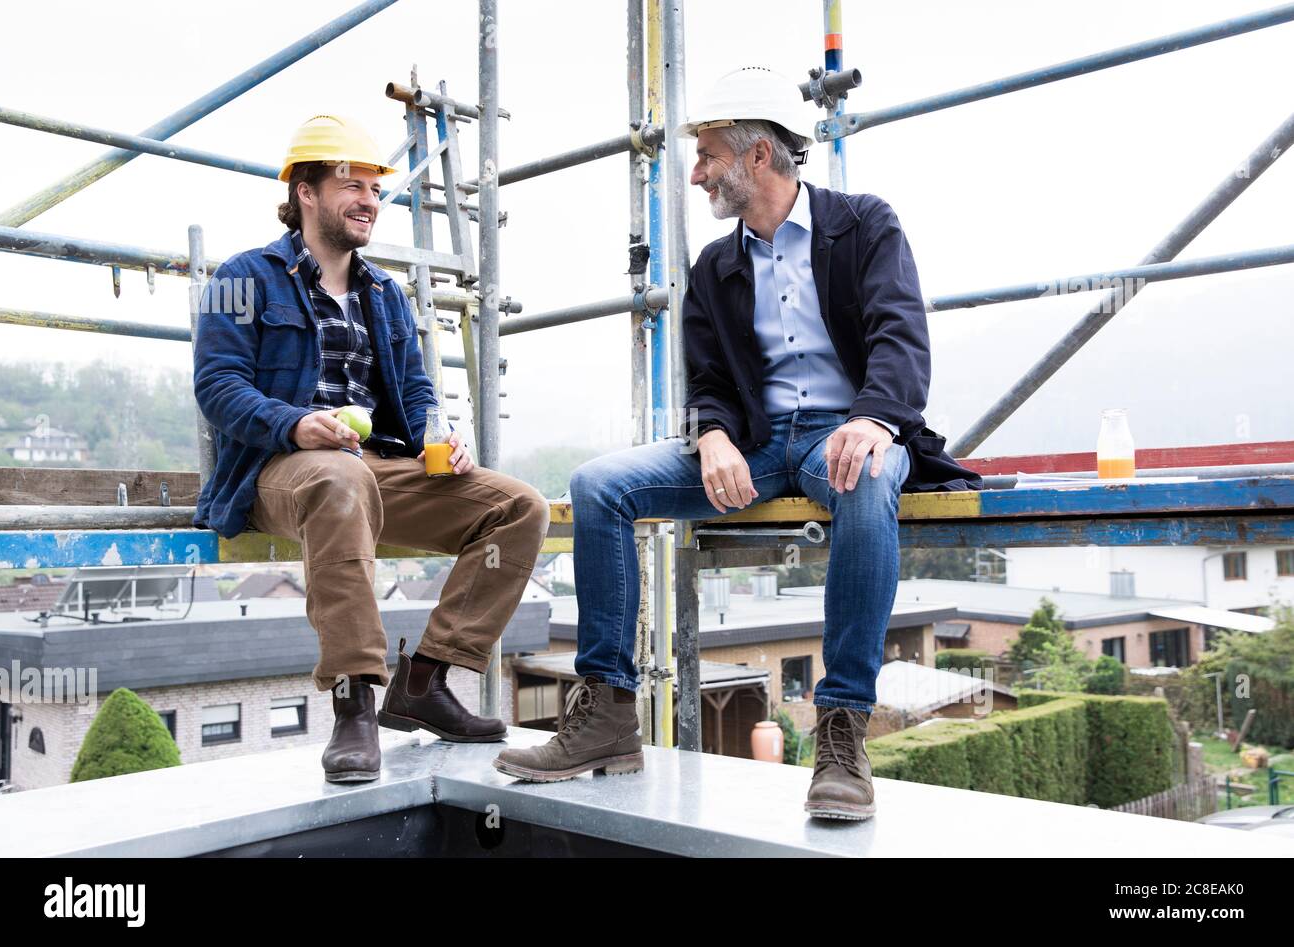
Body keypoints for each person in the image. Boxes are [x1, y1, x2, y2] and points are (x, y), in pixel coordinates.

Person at [493, 68, 980, 820]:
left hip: (846, 433)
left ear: (758, 156)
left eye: (708, 156)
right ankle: (608, 715)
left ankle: (842, 733)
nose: (695, 175)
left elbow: (899, 335)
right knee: (598, 486)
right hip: (754, 443)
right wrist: (713, 434)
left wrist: (873, 420)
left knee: (867, 476)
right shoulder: (716, 267)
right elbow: (709, 380)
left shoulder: (865, 225)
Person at [192, 114, 549, 783]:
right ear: (305, 192)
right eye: (352, 186)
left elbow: (415, 391)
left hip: (372, 465)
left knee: (519, 507)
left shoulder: (384, 293)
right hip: (281, 469)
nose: (369, 201)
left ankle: (426, 683)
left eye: (376, 190)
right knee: (337, 479)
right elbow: (218, 386)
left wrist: (440, 436)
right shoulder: (244, 277)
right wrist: (296, 424)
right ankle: (354, 700)